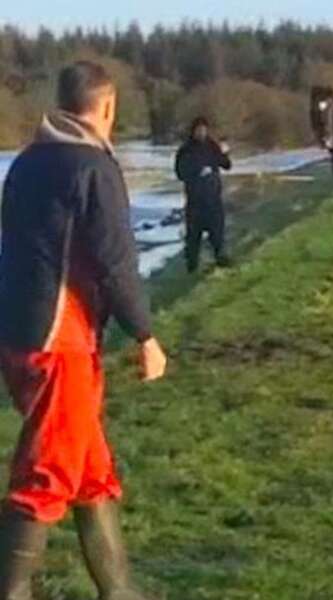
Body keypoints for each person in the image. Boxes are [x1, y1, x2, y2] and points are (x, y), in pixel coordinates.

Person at [0, 61, 166, 600]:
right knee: (45, 475)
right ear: (107, 107)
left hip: (18, 335)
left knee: (91, 470)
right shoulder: (94, 167)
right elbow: (117, 261)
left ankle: (121, 594)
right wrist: (145, 336)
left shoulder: (24, 164)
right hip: (61, 342)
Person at [174, 117, 233, 272]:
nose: (201, 132)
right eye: (198, 130)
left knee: (218, 233)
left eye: (204, 129)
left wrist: (225, 153)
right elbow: (180, 173)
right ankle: (192, 267)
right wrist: (198, 171)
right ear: (193, 131)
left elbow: (226, 165)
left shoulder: (212, 146)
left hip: (213, 199)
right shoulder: (185, 150)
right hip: (195, 201)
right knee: (193, 237)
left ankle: (221, 260)